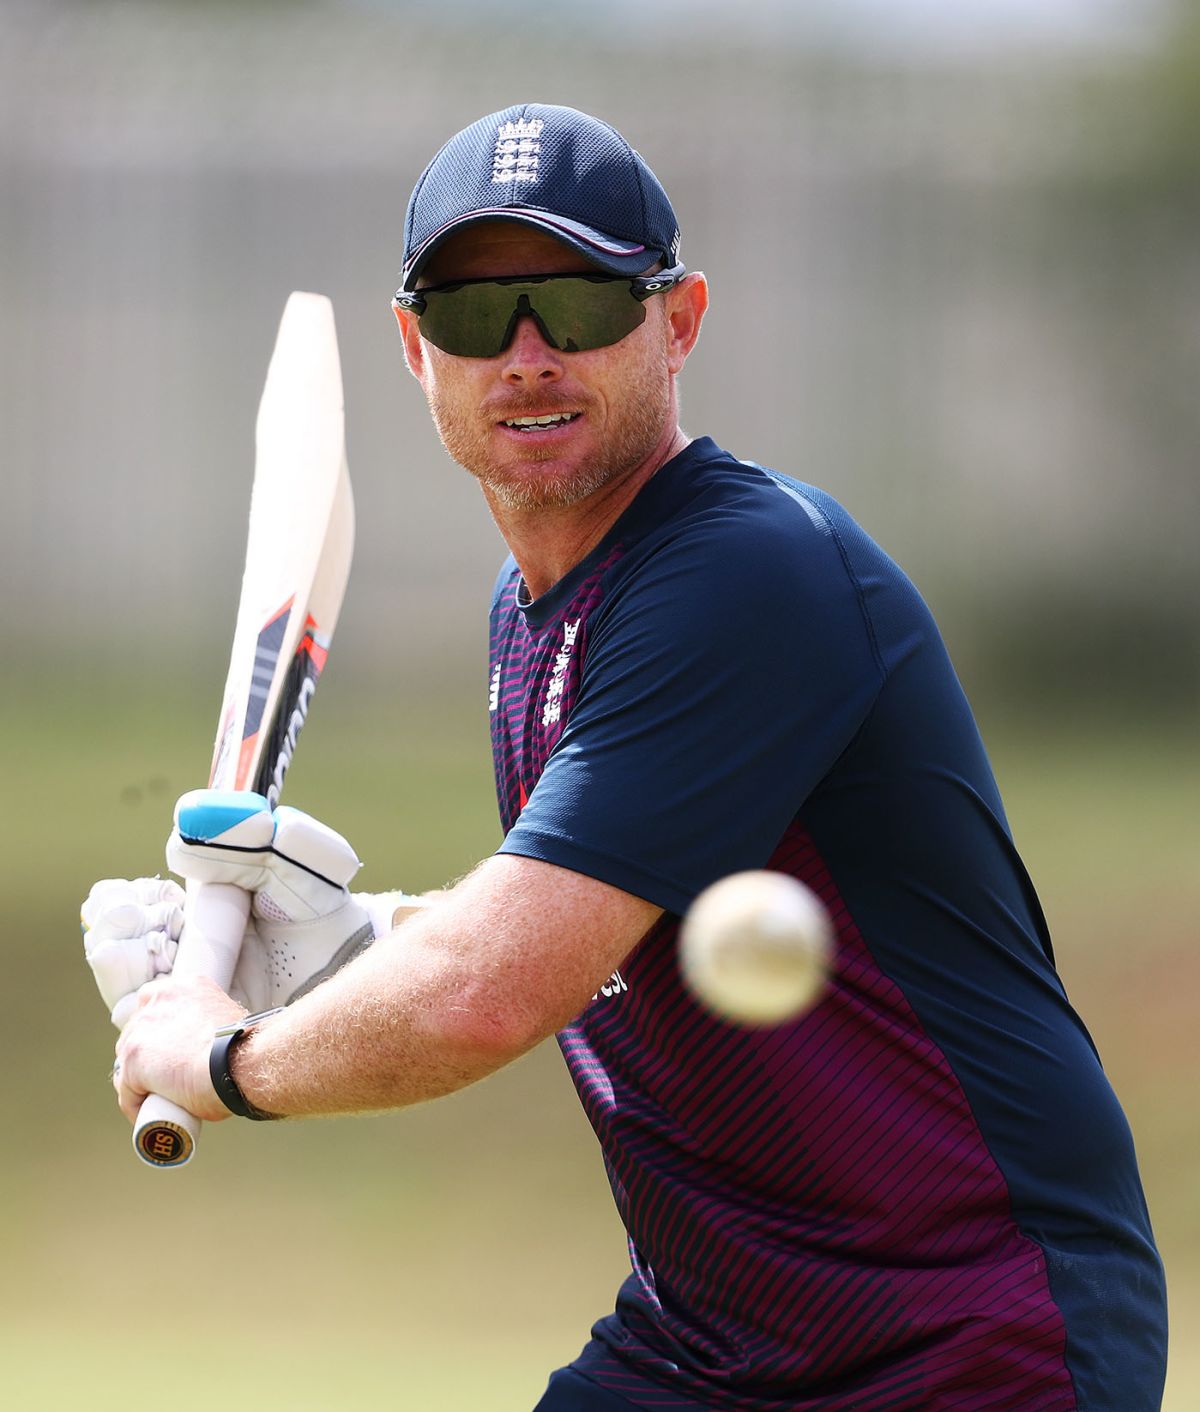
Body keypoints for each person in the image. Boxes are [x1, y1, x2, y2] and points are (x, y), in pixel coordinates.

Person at [86, 104, 1167, 1410]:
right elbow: (591, 928)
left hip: (964, 1330)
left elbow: (494, 991)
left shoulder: (744, 574)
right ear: (415, 348)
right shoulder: (537, 611)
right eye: (477, 316)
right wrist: (343, 948)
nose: (527, 355)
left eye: (581, 303)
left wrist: (226, 1061)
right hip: (717, 1340)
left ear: (681, 320)